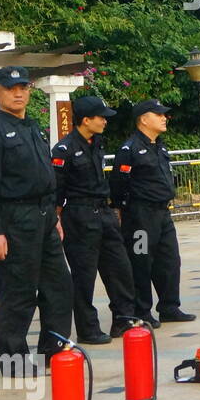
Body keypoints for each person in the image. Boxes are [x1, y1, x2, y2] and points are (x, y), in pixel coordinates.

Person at [0, 66, 74, 361]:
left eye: (23, 87)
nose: (18, 93)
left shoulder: (33, 129)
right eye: (11, 88)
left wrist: (54, 217)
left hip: (43, 218)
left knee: (59, 287)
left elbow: (45, 177)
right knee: (18, 293)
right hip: (14, 220)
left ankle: (55, 350)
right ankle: (13, 360)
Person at [53, 95, 139, 342]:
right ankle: (88, 329)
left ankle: (123, 320)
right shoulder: (64, 149)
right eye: (101, 117)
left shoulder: (97, 142)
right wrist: (56, 220)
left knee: (120, 269)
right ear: (86, 119)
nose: (105, 121)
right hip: (79, 216)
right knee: (84, 276)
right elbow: (57, 192)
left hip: (104, 213)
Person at [110, 100, 196, 325]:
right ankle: (142, 311)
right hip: (140, 216)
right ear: (143, 119)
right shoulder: (129, 150)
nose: (163, 118)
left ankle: (169, 307)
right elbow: (118, 184)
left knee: (169, 261)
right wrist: (121, 209)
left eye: (163, 115)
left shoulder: (160, 146)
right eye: (158, 114)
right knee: (141, 261)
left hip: (162, 214)